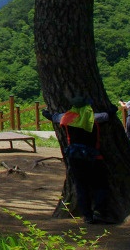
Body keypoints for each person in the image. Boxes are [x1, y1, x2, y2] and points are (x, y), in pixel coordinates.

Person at [42, 96, 113, 224]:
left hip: (75, 157)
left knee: (81, 186)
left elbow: (52, 117)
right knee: (100, 185)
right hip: (93, 156)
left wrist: (45, 113)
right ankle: (99, 211)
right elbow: (109, 114)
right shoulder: (94, 117)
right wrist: (113, 109)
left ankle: (87, 215)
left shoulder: (66, 117)